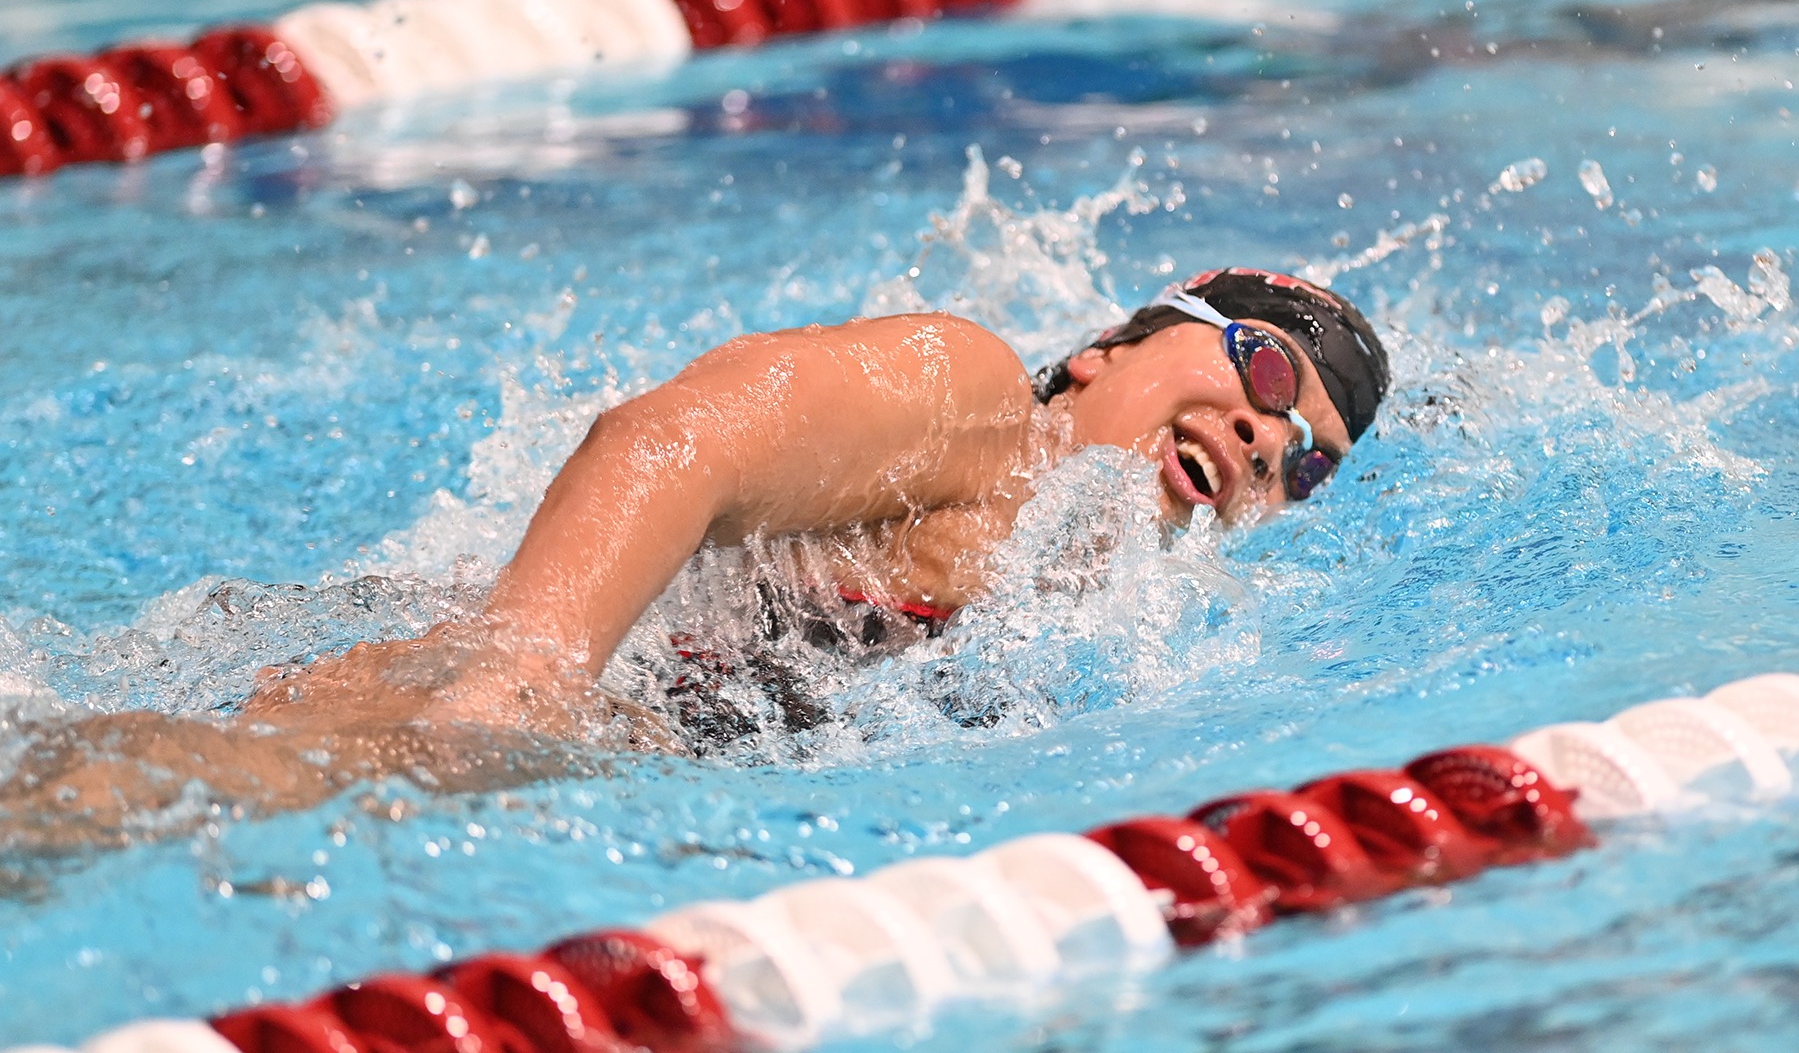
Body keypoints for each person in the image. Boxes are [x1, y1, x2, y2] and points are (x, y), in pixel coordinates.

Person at [2, 268, 1388, 849]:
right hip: (451, 700)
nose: (1270, 439)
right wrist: (521, 678)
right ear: (1108, 346)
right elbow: (676, 436)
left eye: (1305, 460)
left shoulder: (1071, 602)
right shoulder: (973, 408)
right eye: (1262, 369)